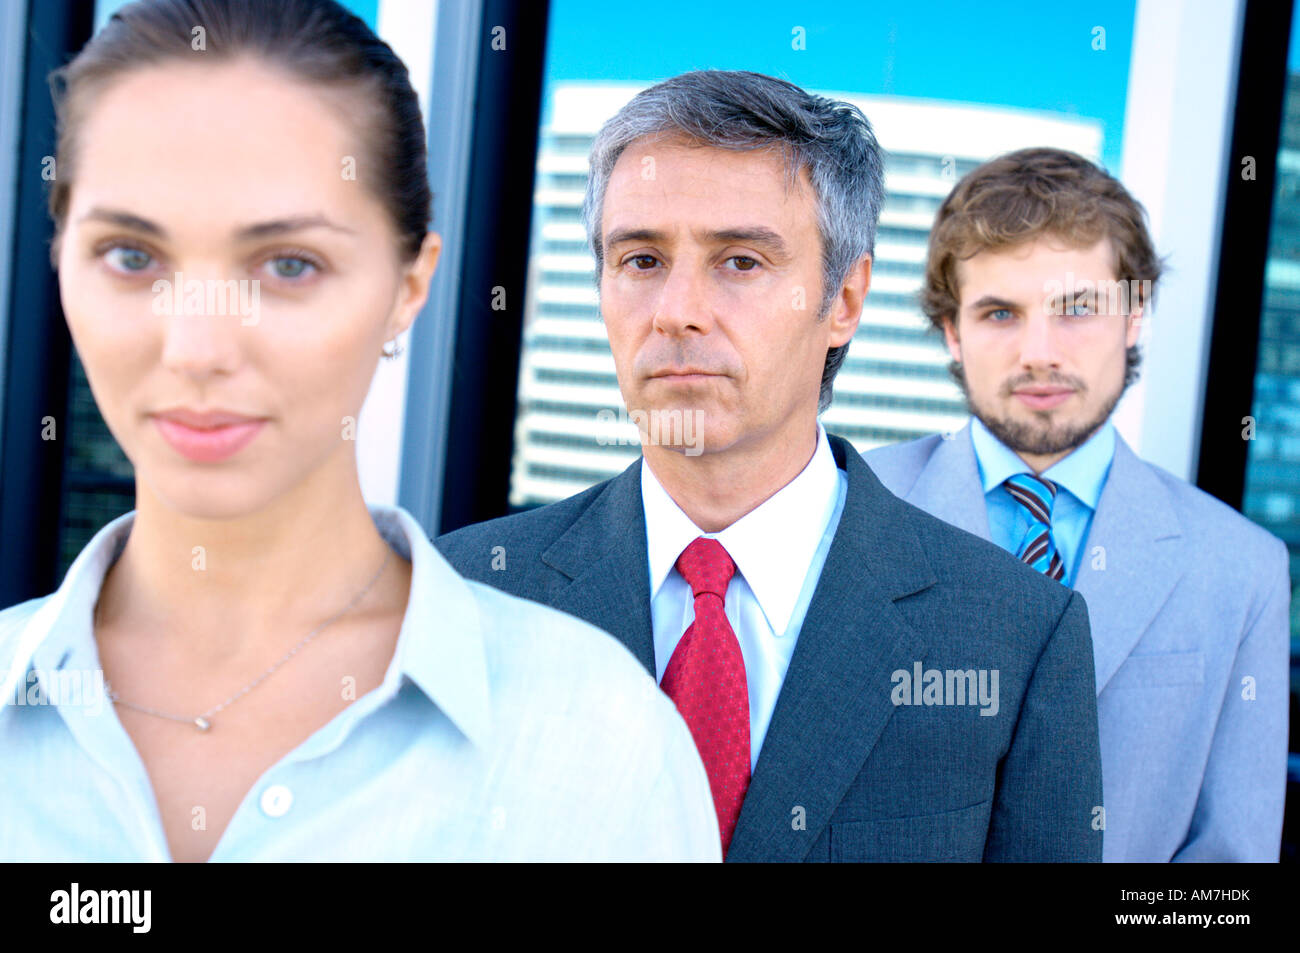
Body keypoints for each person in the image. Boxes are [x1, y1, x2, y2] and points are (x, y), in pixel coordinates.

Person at [0, 0, 720, 863]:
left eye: (288, 265)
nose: (196, 347)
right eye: (131, 256)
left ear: (410, 285)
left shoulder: (599, 749)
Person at [437, 70, 1104, 862]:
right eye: (642, 259)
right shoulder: (468, 594)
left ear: (844, 300)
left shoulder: (1014, 636)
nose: (678, 309)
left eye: (741, 261)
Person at [863, 147, 1289, 861]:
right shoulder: (848, 509)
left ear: (1134, 316)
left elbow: (1229, 872)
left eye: (1077, 310)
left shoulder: (1243, 568)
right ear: (952, 334)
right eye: (1000, 312)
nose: (1039, 352)